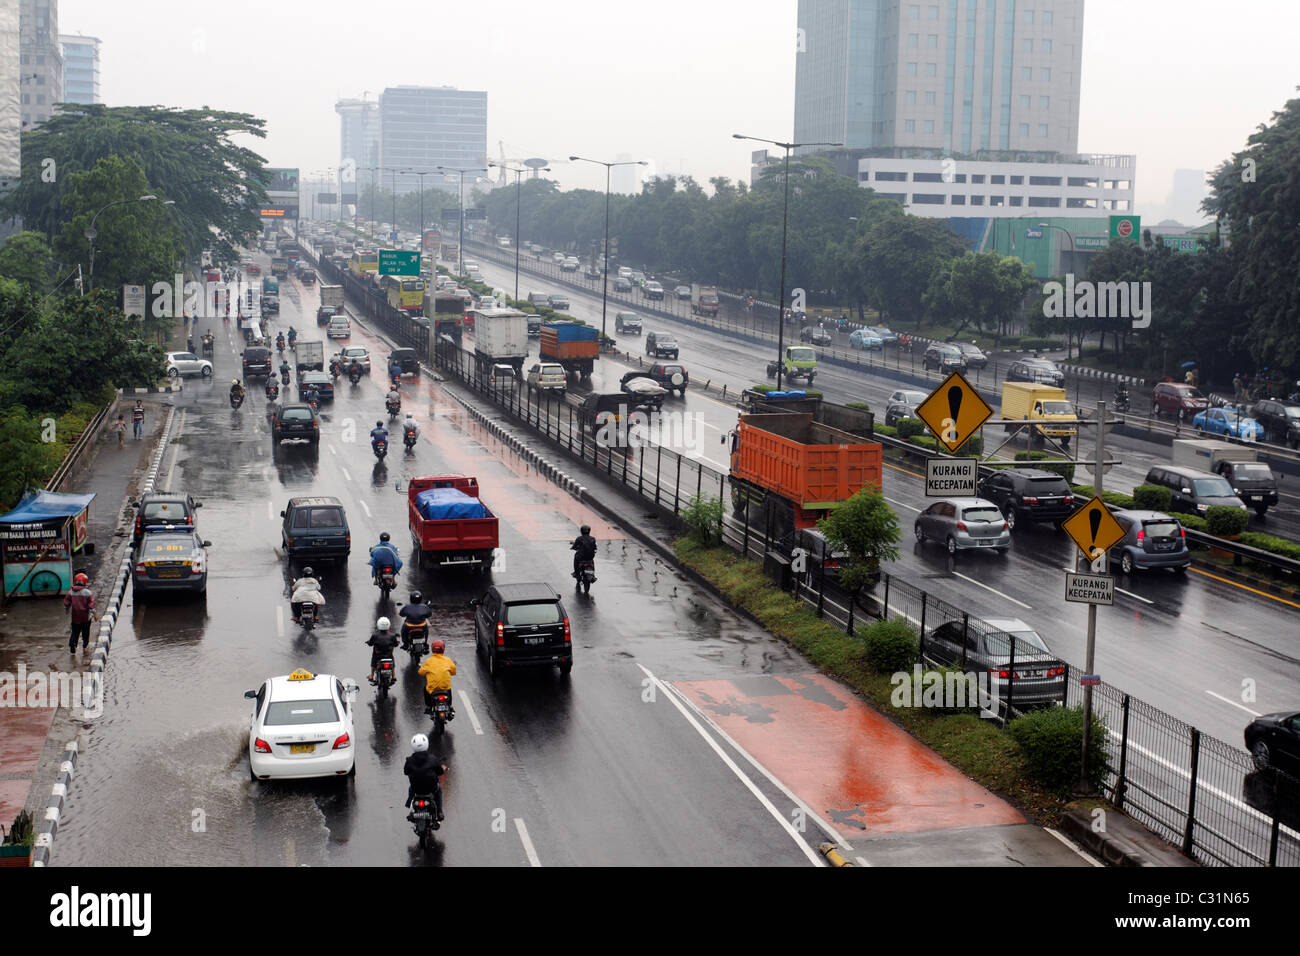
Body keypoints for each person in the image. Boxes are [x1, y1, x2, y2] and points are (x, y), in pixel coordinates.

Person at [403, 734, 446, 821]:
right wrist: (443, 768)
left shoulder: (410, 760)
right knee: (439, 791)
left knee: (411, 788)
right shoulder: (432, 759)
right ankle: (440, 811)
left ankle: (409, 806)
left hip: (416, 789)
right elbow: (440, 772)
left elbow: (406, 772)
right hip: (431, 788)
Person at [417, 639, 457, 718]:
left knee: (425, 689)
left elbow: (421, 672)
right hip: (445, 687)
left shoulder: (429, 661)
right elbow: (453, 672)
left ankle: (429, 706)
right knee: (449, 689)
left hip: (433, 688)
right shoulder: (447, 660)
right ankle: (449, 706)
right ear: (443, 649)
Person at [64, 573, 96, 654]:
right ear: (85, 582)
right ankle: (85, 646)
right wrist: (94, 614)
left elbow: (67, 603)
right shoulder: (88, 593)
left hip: (75, 617)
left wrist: (67, 609)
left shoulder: (70, 592)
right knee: (85, 632)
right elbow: (91, 605)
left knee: (75, 631)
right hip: (86, 617)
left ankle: (73, 643)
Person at [366, 616, 400, 684]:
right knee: (392, 661)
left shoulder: (375, 635)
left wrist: (368, 642)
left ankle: (372, 675)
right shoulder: (392, 635)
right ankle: (393, 676)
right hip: (388, 656)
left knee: (373, 659)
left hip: (378, 657)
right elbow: (396, 645)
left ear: (378, 625)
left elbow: (370, 644)